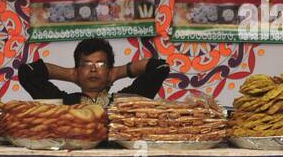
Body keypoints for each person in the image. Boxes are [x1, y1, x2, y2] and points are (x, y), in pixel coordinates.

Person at [17, 38, 169, 108]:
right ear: (77, 70)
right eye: (86, 64)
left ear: (109, 69)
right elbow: (27, 73)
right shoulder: (62, 103)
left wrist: (117, 72)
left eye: (100, 64)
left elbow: (160, 68)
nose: (93, 69)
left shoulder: (124, 102)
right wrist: (71, 74)